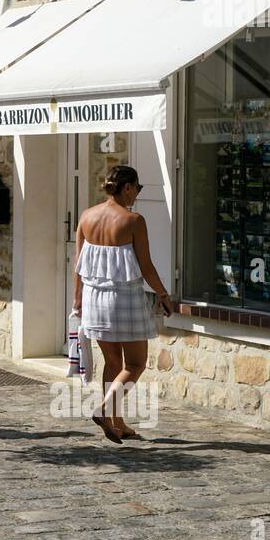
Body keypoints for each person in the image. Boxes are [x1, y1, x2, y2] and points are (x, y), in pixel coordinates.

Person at [73, 165, 174, 445]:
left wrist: (77, 298)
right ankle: (105, 410)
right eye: (137, 189)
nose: (137, 195)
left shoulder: (87, 216)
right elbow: (147, 267)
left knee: (113, 362)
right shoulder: (133, 220)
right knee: (136, 363)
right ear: (127, 187)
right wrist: (164, 296)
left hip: (94, 298)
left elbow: (78, 265)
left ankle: (117, 423)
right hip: (124, 300)